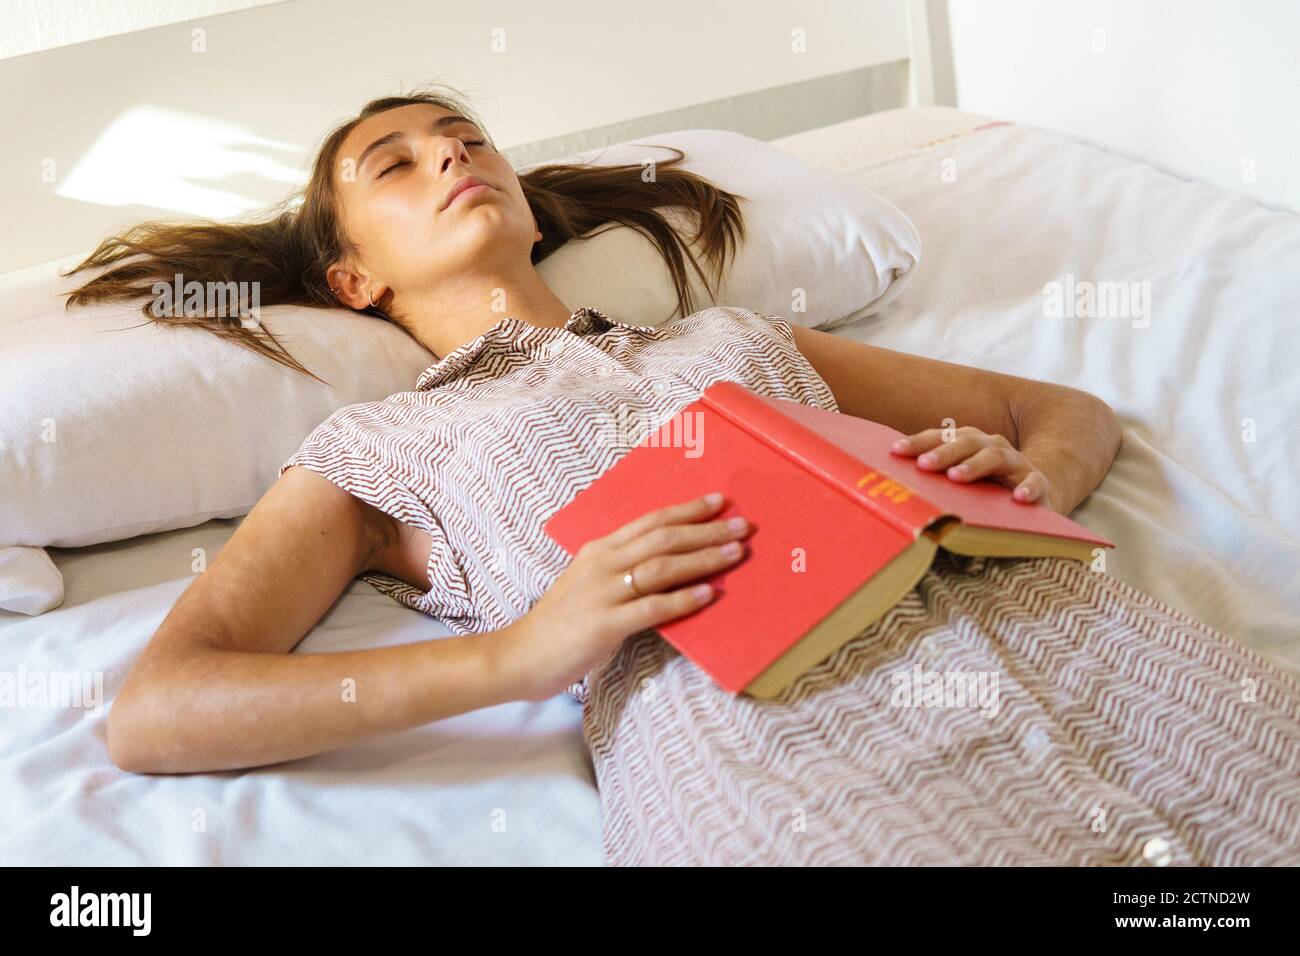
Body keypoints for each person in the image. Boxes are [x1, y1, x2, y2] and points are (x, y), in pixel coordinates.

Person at [66, 88, 1298, 865]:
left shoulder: (733, 339)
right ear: (353, 281)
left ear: (532, 208)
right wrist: (524, 653)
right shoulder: (385, 444)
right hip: (794, 775)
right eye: (393, 163)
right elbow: (161, 706)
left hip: (1106, 664)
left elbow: (1060, 409)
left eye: (466, 136)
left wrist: (1023, 472)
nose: (450, 154)